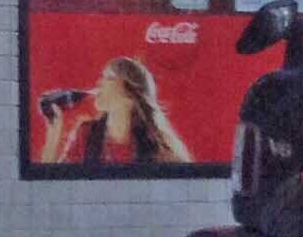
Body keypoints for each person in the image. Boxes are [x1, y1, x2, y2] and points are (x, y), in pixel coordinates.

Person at [38, 54, 191, 166]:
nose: (99, 82)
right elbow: (49, 183)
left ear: (130, 93)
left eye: (109, 77)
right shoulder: (86, 134)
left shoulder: (157, 147)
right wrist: (53, 133)